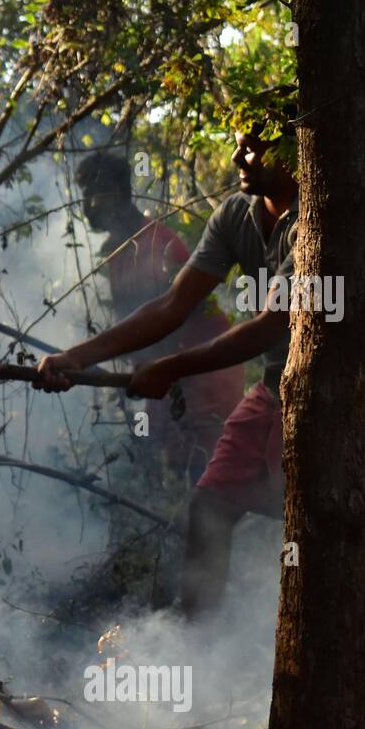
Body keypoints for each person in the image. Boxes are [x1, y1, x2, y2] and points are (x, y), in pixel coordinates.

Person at [36, 123, 365, 618]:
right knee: (209, 509)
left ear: (295, 150)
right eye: (239, 144)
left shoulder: (320, 223)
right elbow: (171, 305)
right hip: (276, 393)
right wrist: (76, 357)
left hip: (349, 405)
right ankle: (197, 651)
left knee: (362, 546)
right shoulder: (236, 216)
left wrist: (171, 366)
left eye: (254, 146)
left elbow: (272, 325)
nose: (239, 157)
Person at [72, 151, 245, 483]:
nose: (88, 205)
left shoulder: (158, 244)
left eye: (94, 193)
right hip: (169, 381)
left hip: (201, 378)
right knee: (172, 480)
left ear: (120, 193)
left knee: (203, 485)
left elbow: (176, 314)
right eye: (84, 195)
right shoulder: (119, 251)